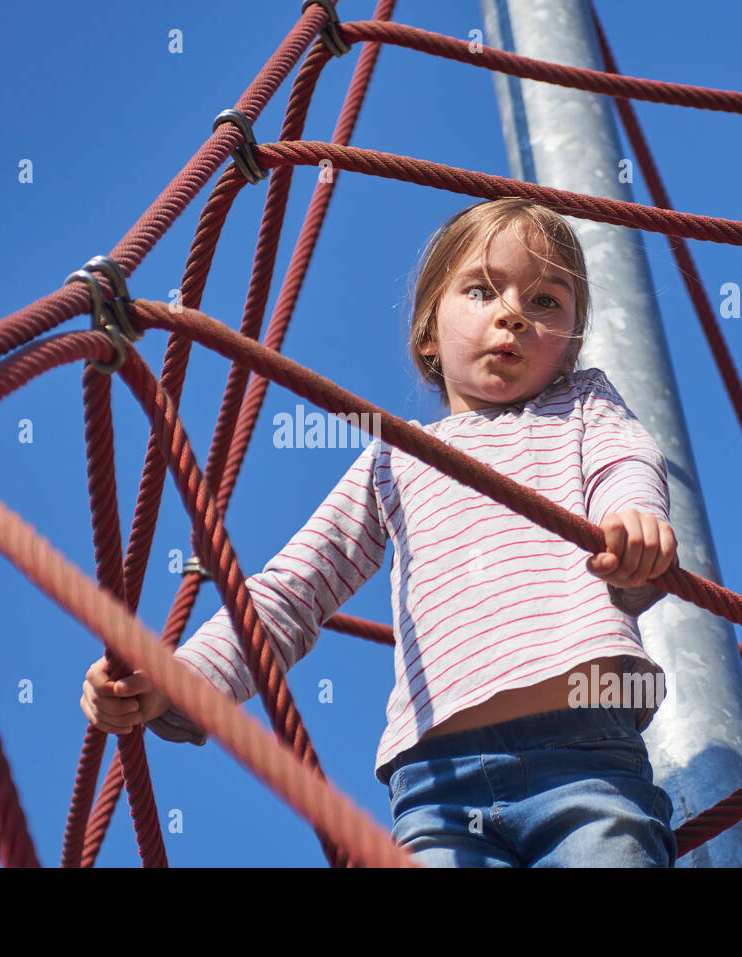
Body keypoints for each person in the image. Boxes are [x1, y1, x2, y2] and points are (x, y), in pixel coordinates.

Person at [79, 197, 679, 867]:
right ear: (428, 331)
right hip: (435, 783)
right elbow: (291, 591)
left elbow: (626, 462)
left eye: (546, 303)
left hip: (585, 753)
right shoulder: (394, 456)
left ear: (570, 344)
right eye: (482, 290)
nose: (513, 313)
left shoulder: (582, 405)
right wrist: (176, 678)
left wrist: (635, 522)